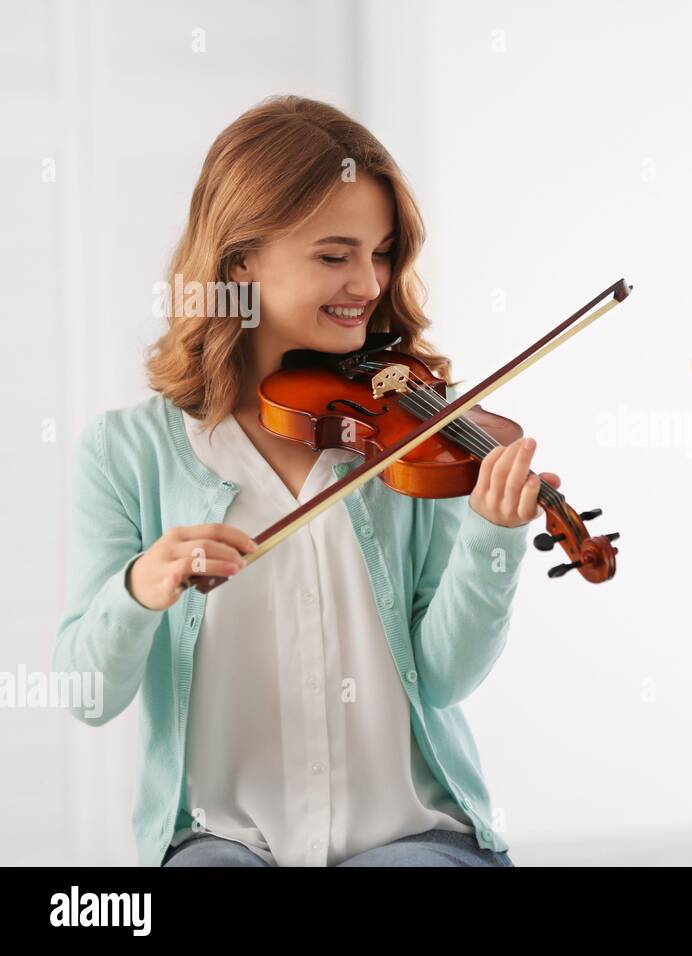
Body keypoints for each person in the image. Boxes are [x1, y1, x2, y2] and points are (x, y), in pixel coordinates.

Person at [53, 96, 555, 867]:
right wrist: (139, 587)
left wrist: (493, 539)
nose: (369, 283)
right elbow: (88, 696)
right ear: (240, 261)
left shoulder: (407, 437)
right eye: (335, 254)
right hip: (219, 842)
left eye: (382, 253)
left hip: (410, 835)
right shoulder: (127, 455)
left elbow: (447, 678)